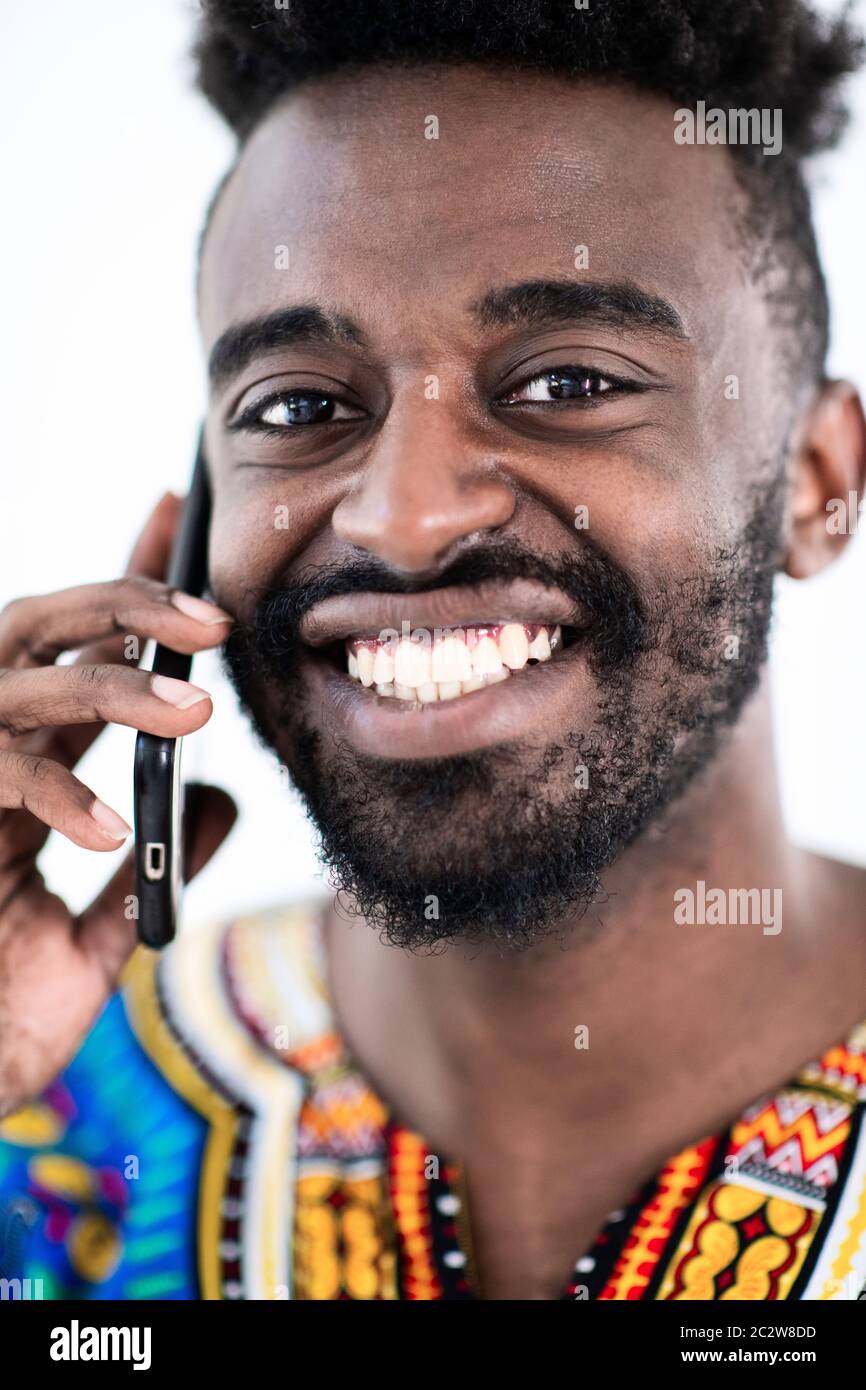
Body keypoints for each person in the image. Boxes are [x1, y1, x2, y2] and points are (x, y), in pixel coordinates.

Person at [0, 0, 865, 1302]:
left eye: (567, 381)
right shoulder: (55, 1100)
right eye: (298, 406)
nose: (403, 519)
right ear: (189, 531)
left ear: (814, 483)